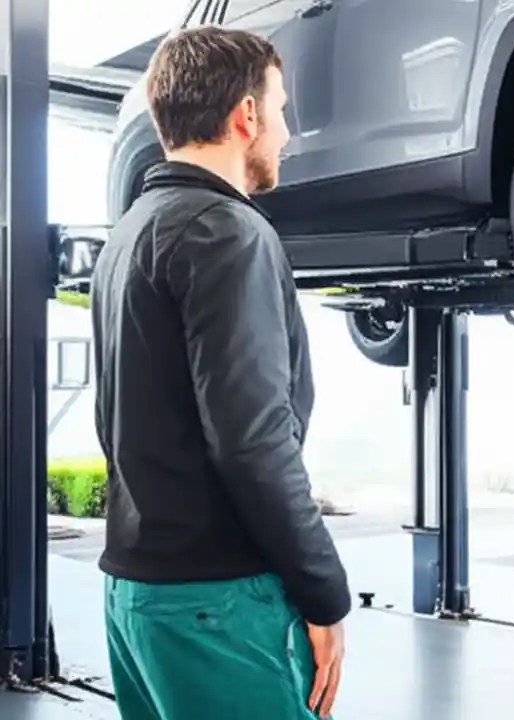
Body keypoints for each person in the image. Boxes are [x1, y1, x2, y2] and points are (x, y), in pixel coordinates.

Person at [90, 26, 349, 719]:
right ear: (247, 115)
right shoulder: (226, 232)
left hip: (138, 598)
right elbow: (253, 440)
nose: (286, 133)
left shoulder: (128, 234)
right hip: (218, 605)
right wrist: (325, 592)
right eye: (282, 110)